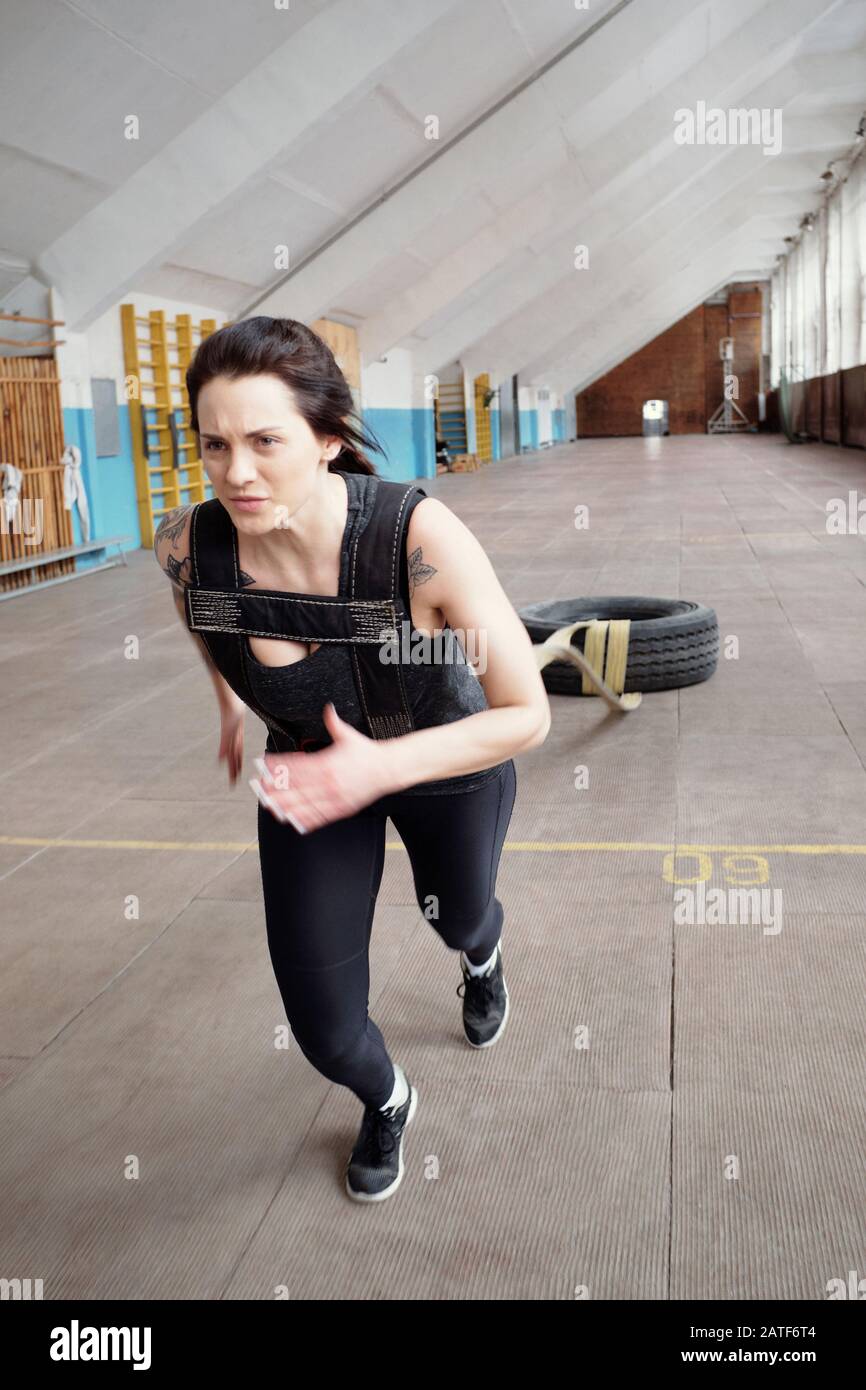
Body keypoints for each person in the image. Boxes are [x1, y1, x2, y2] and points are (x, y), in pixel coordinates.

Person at [153, 317, 550, 1203]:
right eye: (213, 444)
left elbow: (527, 713)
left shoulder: (418, 542)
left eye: (265, 441)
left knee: (457, 915)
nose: (236, 472)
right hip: (312, 773)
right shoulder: (189, 547)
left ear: (329, 438)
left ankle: (481, 962)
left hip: (447, 762)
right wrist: (227, 703)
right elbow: (197, 613)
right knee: (324, 1027)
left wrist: (379, 767)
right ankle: (388, 1099)